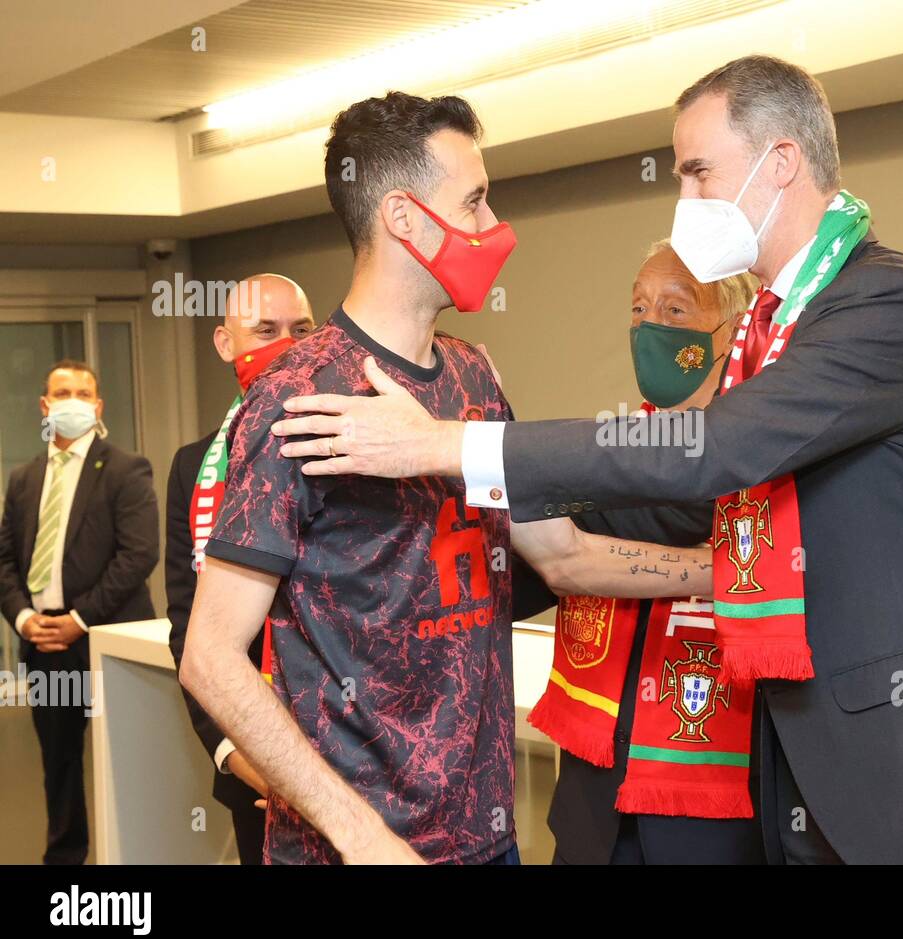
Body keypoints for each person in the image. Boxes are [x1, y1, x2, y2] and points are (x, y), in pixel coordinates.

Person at [273, 57, 903, 864]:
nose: (683, 203)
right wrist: (503, 508)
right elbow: (687, 508)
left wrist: (453, 442)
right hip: (810, 771)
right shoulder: (771, 329)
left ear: (782, 162)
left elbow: (712, 451)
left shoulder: (884, 301)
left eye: (697, 174)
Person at [179, 92, 712, 865]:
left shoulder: (472, 378)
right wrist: (361, 836)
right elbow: (210, 657)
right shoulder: (301, 396)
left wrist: (722, 574)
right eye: (474, 201)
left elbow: (563, 555)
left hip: (486, 841)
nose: (493, 227)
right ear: (405, 217)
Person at [534, 239, 764, 864]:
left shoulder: (759, 451)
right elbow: (535, 569)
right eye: (638, 310)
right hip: (593, 801)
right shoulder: (616, 446)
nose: (647, 327)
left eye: (675, 311)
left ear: (732, 329)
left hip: (713, 816)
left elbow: (677, 503)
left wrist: (529, 484)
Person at [164, 274, 314, 864]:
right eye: (265, 331)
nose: (288, 345)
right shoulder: (191, 467)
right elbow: (189, 629)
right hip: (252, 765)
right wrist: (237, 753)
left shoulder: (354, 442)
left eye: (301, 331)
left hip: (355, 754)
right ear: (225, 344)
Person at [0, 360, 158, 864]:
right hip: (44, 642)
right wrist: (27, 620)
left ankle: (136, 855)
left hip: (107, 639)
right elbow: (5, 561)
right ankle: (66, 862)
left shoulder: (125, 469)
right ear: (45, 406)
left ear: (98, 406)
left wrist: (79, 620)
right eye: (62, 392)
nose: (73, 401)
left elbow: (139, 555)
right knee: (59, 763)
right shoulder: (24, 478)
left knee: (127, 759)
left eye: (83, 393)